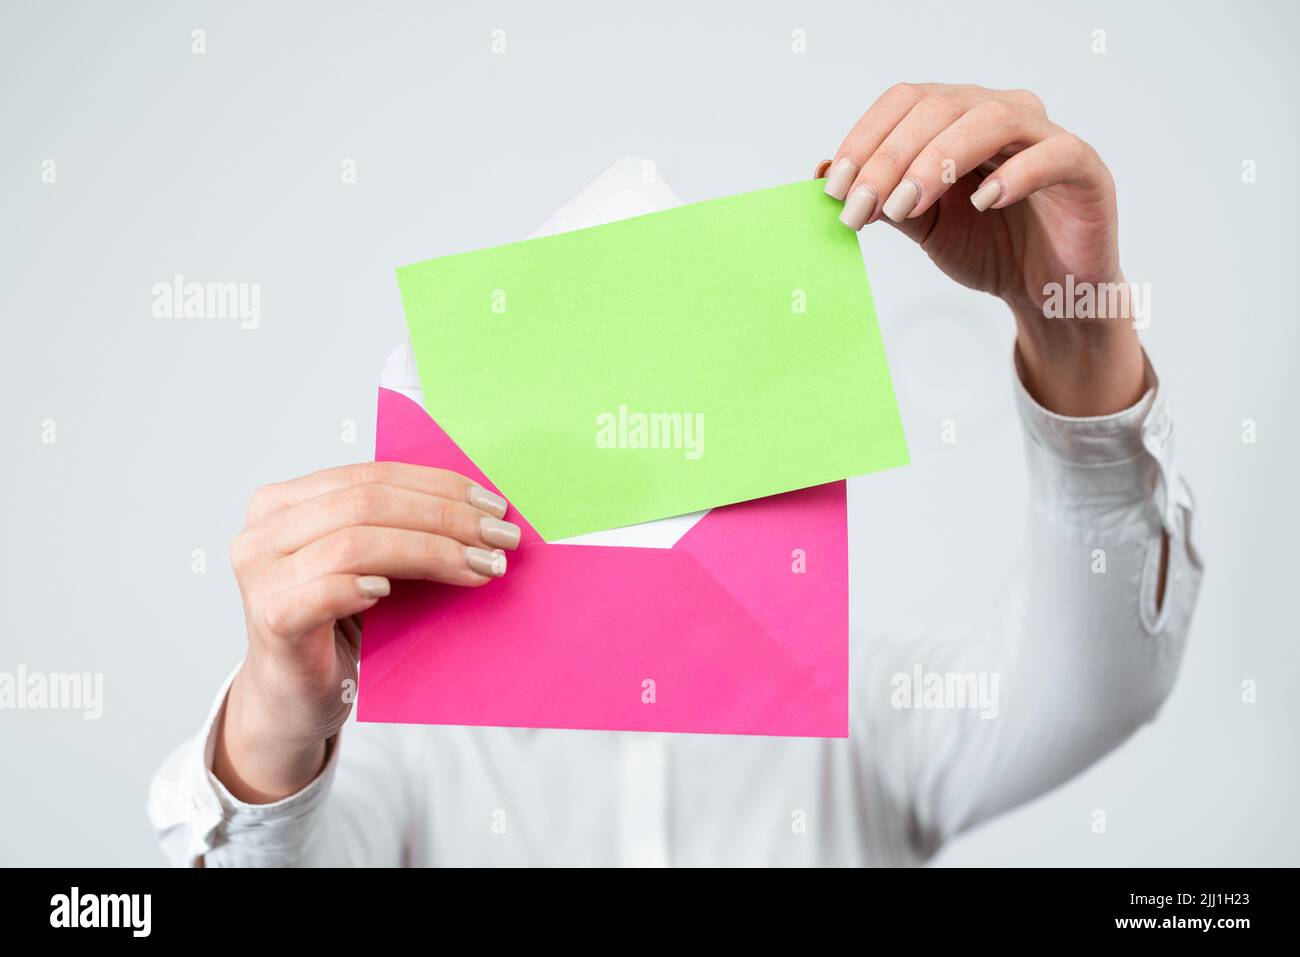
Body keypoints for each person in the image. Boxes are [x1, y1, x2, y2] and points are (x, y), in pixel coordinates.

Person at [148, 83, 1202, 866]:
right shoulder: (410, 751)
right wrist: (275, 723)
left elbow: (1092, 691)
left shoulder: (864, 716)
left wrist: (1071, 327)